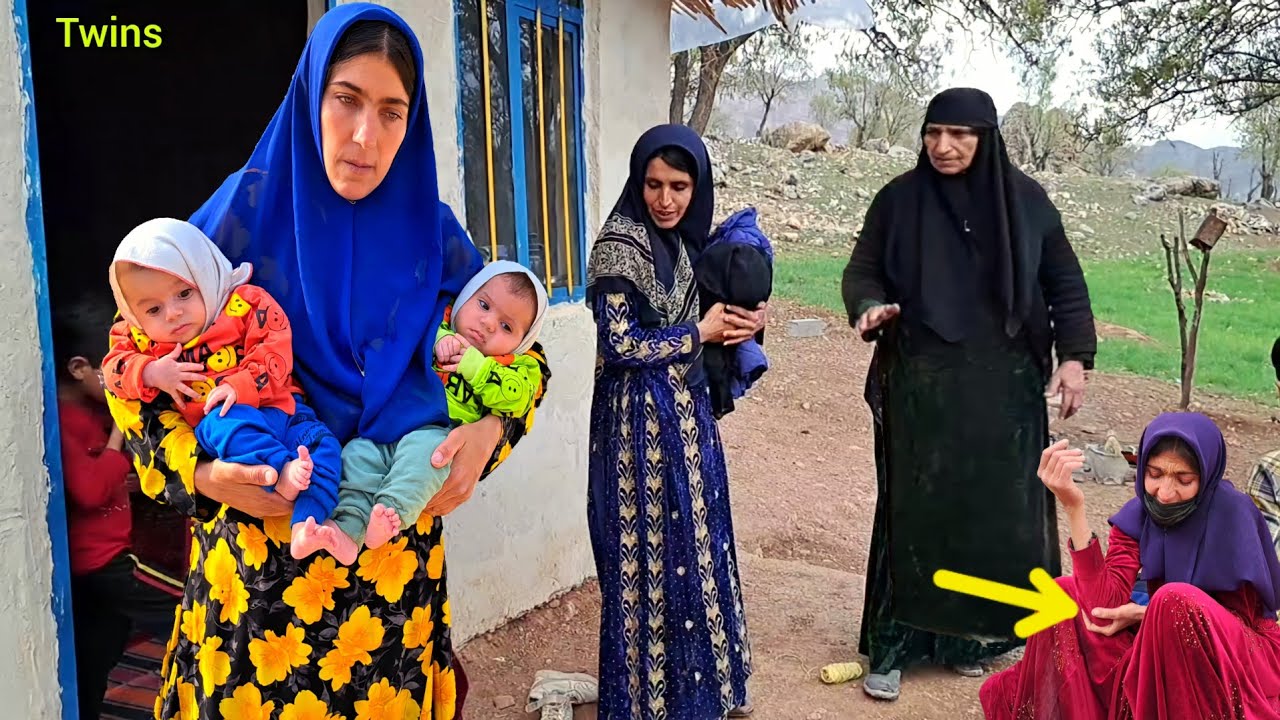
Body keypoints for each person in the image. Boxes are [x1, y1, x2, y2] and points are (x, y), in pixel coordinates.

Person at [102, 6, 550, 718]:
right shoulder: (238, 218)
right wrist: (205, 475)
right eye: (346, 99)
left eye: (392, 111)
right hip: (257, 591)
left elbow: (526, 356)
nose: (366, 136)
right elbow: (128, 367)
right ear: (311, 95)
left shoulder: (433, 237)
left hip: (388, 587)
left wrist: (488, 433)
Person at [841, 87, 1097, 701]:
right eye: (933, 133)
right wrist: (870, 307)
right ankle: (895, 644)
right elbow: (862, 270)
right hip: (921, 384)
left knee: (989, 513)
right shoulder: (899, 201)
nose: (944, 146)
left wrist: (1075, 360)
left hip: (1005, 389)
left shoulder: (1027, 203)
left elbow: (1065, 284)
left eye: (960, 134)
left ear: (986, 138)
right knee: (917, 511)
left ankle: (966, 638)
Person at [586, 124, 767, 720]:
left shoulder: (687, 244)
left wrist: (742, 324)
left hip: (688, 426)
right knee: (643, 561)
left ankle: (704, 696)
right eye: (655, 184)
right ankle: (648, 702)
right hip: (634, 434)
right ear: (638, 184)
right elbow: (619, 346)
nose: (666, 199)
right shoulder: (619, 247)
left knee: (698, 549)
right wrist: (698, 333)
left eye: (681, 186)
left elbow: (713, 312)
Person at [981, 412, 1280, 719]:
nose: (1165, 493)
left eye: (1184, 480)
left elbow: (1239, 618)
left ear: (1206, 475)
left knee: (1172, 600)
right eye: (1154, 474)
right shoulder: (1140, 512)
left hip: (1239, 653)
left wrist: (1147, 614)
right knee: (1065, 595)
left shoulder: (1234, 514)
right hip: (1162, 630)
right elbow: (1102, 606)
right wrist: (1074, 506)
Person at [104, 218, 345, 558]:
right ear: (135, 315)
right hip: (224, 421)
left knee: (324, 446)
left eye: (185, 292)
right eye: (154, 309)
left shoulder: (245, 303)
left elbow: (276, 346)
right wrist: (151, 372)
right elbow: (113, 370)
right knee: (227, 427)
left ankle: (307, 523)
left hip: (284, 410)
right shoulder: (138, 338)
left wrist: (241, 383)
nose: (173, 313)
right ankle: (282, 472)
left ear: (206, 272)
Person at [52, 297, 184, 719]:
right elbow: (90, 490)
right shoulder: (61, 420)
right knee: (184, 611)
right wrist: (116, 438)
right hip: (106, 562)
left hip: (100, 562)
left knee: (99, 652)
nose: (116, 382)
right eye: (109, 372)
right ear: (77, 368)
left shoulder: (86, 410)